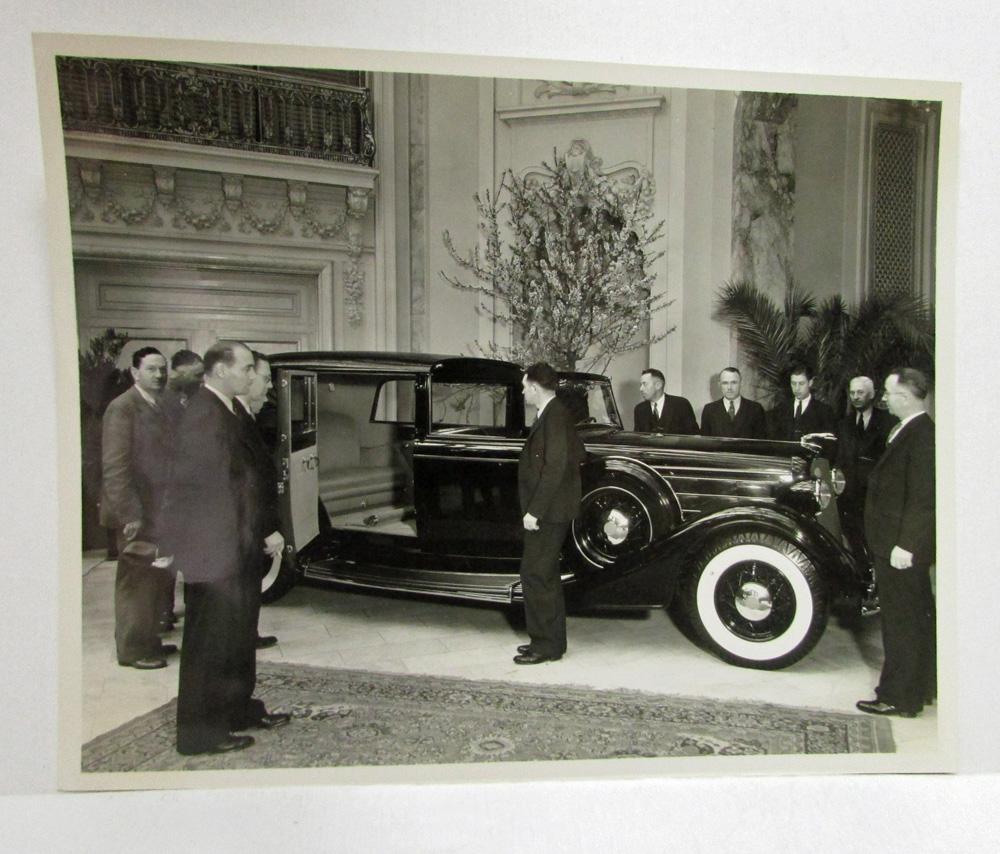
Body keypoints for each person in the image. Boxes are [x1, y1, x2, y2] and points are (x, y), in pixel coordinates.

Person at [167, 341, 289, 755]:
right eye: (246, 369)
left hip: (237, 544)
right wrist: (261, 531)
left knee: (238, 635)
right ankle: (200, 733)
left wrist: (261, 530)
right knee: (210, 642)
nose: (252, 377)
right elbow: (216, 491)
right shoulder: (203, 413)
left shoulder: (231, 409)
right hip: (215, 548)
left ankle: (237, 709)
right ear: (220, 371)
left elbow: (249, 477)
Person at [856, 368, 936, 718]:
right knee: (915, 617)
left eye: (888, 392)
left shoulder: (921, 435)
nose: (884, 398)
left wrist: (907, 545)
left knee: (902, 623)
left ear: (905, 397)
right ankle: (921, 687)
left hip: (900, 549)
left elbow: (923, 499)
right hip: (894, 544)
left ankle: (898, 697)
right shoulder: (909, 430)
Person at [99, 346, 177, 669]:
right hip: (135, 511)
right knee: (136, 580)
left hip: (159, 510)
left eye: (162, 369)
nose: (159, 375)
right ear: (134, 373)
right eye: (151, 369)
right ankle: (132, 650)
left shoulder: (160, 405)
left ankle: (149, 640)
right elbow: (115, 467)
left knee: (154, 579)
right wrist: (129, 514)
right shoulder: (122, 408)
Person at [515, 362, 586, 665]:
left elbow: (555, 466)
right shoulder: (556, 413)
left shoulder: (554, 415)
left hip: (548, 512)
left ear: (534, 387)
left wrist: (535, 511)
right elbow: (578, 453)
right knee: (545, 575)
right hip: (555, 508)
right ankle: (553, 642)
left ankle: (544, 646)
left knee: (535, 573)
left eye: (523, 386)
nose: (522, 391)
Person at [236, 351, 280, 650]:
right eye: (265, 379)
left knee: (248, 587)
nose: (268, 387)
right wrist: (265, 528)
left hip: (247, 527)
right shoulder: (232, 419)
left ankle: (246, 634)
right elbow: (243, 485)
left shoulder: (248, 416)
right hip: (240, 528)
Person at [836, 376, 898, 561]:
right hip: (849, 499)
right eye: (853, 393)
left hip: (876, 499)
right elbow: (840, 460)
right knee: (856, 548)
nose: (855, 397)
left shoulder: (888, 422)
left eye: (860, 393)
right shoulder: (843, 424)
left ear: (872, 395)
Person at [768, 363, 837, 442]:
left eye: (801, 384)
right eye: (793, 383)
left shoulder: (824, 411)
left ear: (810, 383)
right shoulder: (781, 409)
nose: (797, 388)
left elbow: (829, 443)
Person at [699, 367, 768, 439]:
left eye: (734, 382)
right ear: (719, 385)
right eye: (725, 383)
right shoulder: (709, 410)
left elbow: (761, 442)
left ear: (741, 383)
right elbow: (705, 444)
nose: (729, 387)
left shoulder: (755, 409)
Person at [633, 368, 699, 435]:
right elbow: (637, 439)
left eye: (645, 384)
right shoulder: (640, 409)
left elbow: (693, 437)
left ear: (658, 385)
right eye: (640, 385)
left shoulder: (681, 405)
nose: (641, 389)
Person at [161, 349, 204, 425]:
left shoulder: (199, 393)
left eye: (201, 375)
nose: (202, 380)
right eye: (197, 375)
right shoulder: (161, 397)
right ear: (180, 372)